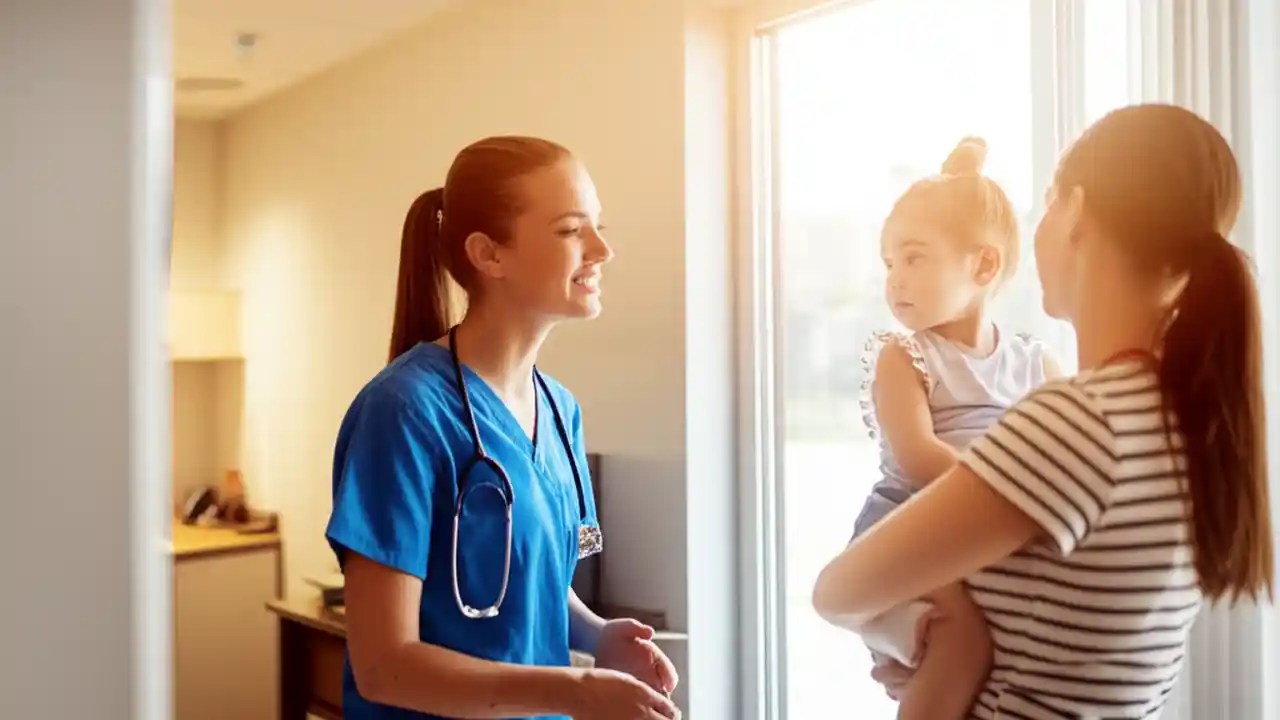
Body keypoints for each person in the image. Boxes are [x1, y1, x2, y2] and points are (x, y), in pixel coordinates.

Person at [813, 103, 1274, 719]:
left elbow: (836, 592)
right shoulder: (1186, 423)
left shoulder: (1081, 424)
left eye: (1049, 203)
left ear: (1075, 212)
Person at [326, 136, 680, 720]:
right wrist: (576, 689)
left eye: (598, 226)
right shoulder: (404, 412)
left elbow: (519, 575)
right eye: (572, 230)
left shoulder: (559, 409)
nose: (602, 249)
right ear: (489, 255)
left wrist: (596, 635)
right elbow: (384, 665)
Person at [850, 136, 1058, 719]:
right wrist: (1012, 500)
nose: (895, 280)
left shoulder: (1034, 363)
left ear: (984, 264)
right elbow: (919, 458)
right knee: (961, 642)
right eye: (889, 263)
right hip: (905, 533)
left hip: (979, 536)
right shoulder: (905, 356)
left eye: (914, 258)